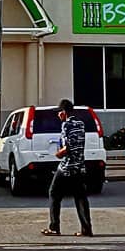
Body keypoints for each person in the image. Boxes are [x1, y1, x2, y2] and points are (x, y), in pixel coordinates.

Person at [45, 99, 93, 237]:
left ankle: (54, 227)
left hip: (66, 166)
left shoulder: (66, 125)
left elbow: (68, 146)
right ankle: (86, 228)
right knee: (80, 197)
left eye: (59, 112)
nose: (58, 115)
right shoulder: (81, 123)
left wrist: (58, 154)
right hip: (79, 165)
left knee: (54, 193)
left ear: (64, 112)